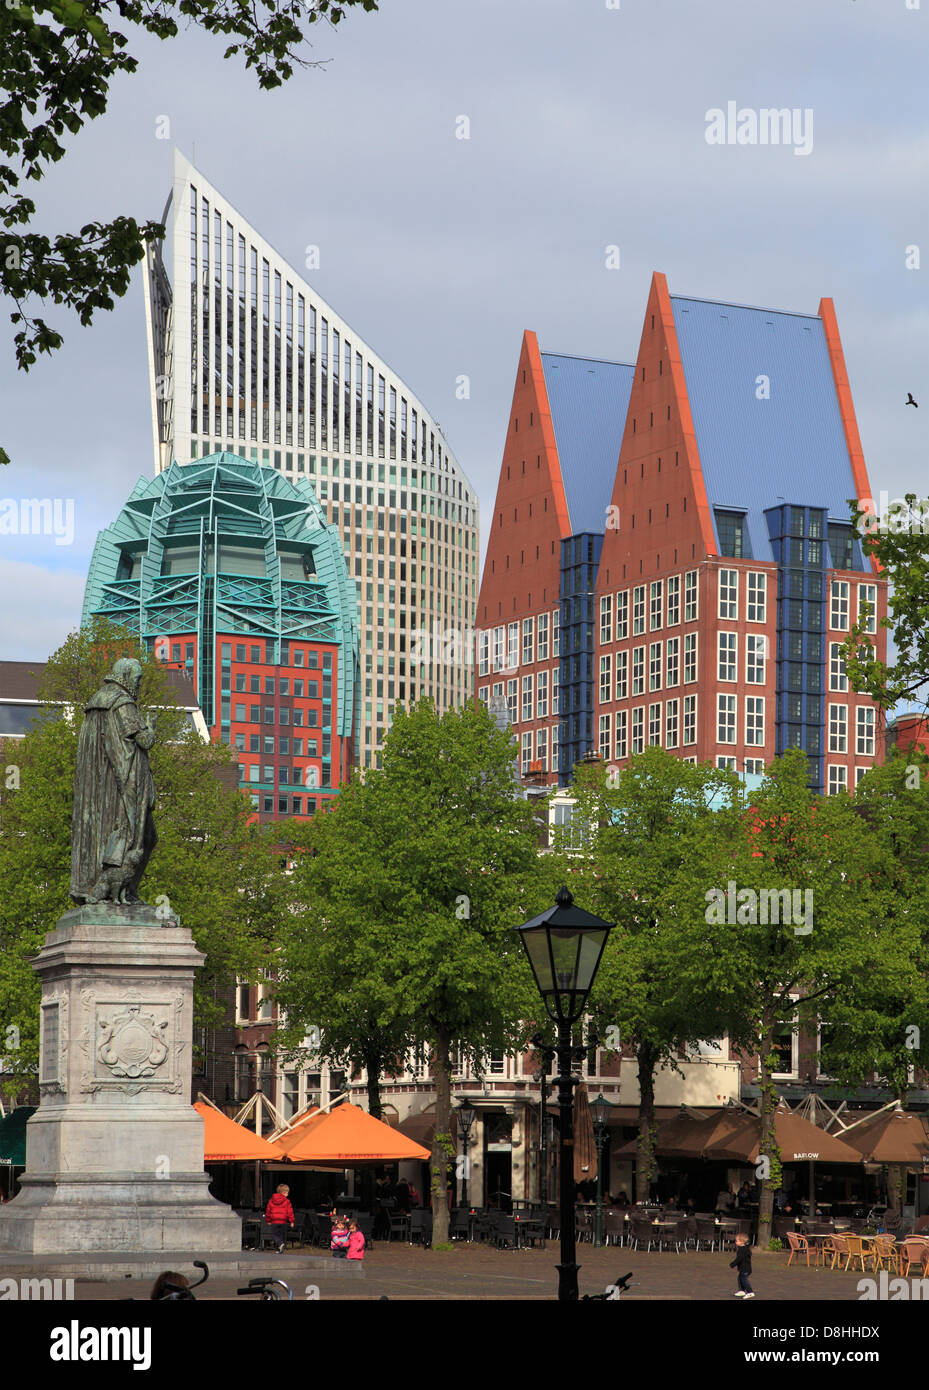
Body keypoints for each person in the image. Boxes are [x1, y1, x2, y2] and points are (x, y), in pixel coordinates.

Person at [265, 1183, 295, 1253]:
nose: (288, 1194)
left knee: (274, 1235)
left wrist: (268, 1220)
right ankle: (280, 1246)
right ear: (283, 1193)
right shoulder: (287, 1201)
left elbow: (268, 1211)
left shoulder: (271, 1200)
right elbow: (290, 1212)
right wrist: (292, 1221)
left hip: (274, 1221)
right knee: (280, 1235)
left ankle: (279, 1247)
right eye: (287, 1192)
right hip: (283, 1221)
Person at [730, 1232, 755, 1298]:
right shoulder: (745, 1248)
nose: (735, 1242)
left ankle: (750, 1292)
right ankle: (742, 1291)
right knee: (740, 1278)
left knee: (744, 1280)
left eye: (736, 1241)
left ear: (741, 1242)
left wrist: (733, 1264)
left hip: (745, 1268)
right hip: (744, 1268)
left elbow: (739, 1259)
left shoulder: (742, 1250)